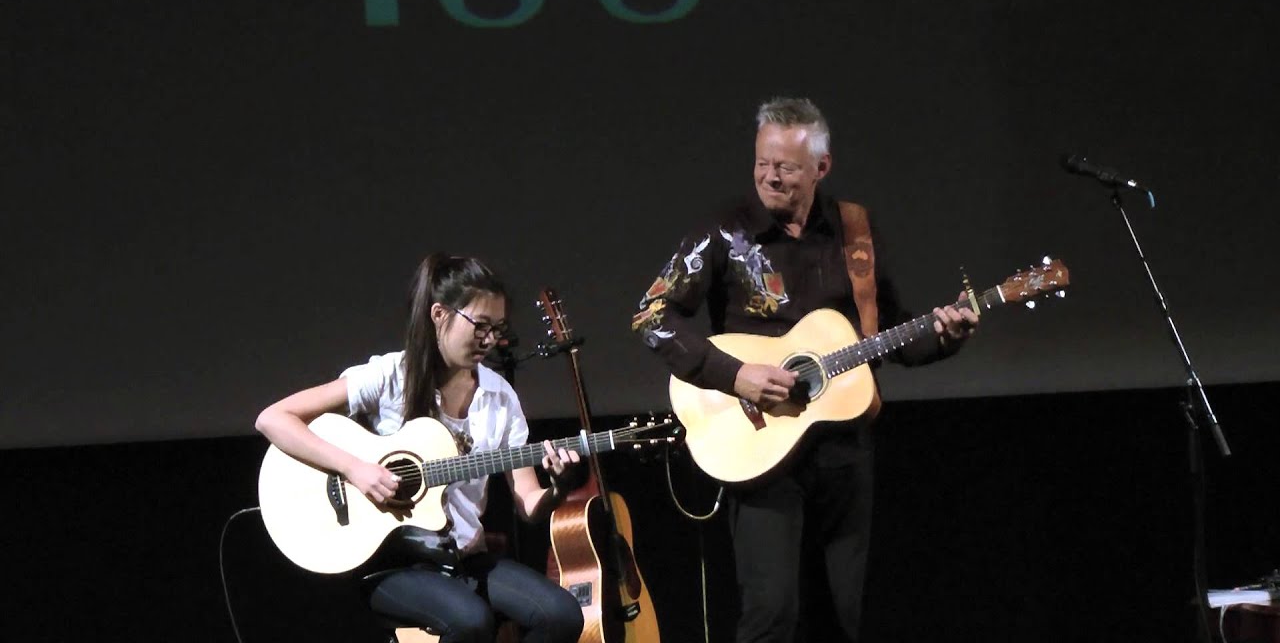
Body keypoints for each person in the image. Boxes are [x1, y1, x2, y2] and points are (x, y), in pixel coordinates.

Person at [631, 97, 979, 643]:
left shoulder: (854, 232)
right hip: (762, 447)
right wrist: (734, 374)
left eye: (786, 167)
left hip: (842, 448)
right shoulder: (725, 230)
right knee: (771, 616)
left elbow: (887, 336)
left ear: (821, 167)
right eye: (762, 163)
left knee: (842, 617)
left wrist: (943, 338)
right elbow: (652, 316)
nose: (769, 177)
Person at [257, 253, 585, 643]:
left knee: (562, 615)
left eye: (497, 328)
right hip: (391, 564)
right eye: (479, 325)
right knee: (471, 622)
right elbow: (274, 419)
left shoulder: (500, 398)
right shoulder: (391, 376)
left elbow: (529, 504)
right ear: (439, 315)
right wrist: (354, 469)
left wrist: (559, 488)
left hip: (465, 558)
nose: (490, 340)